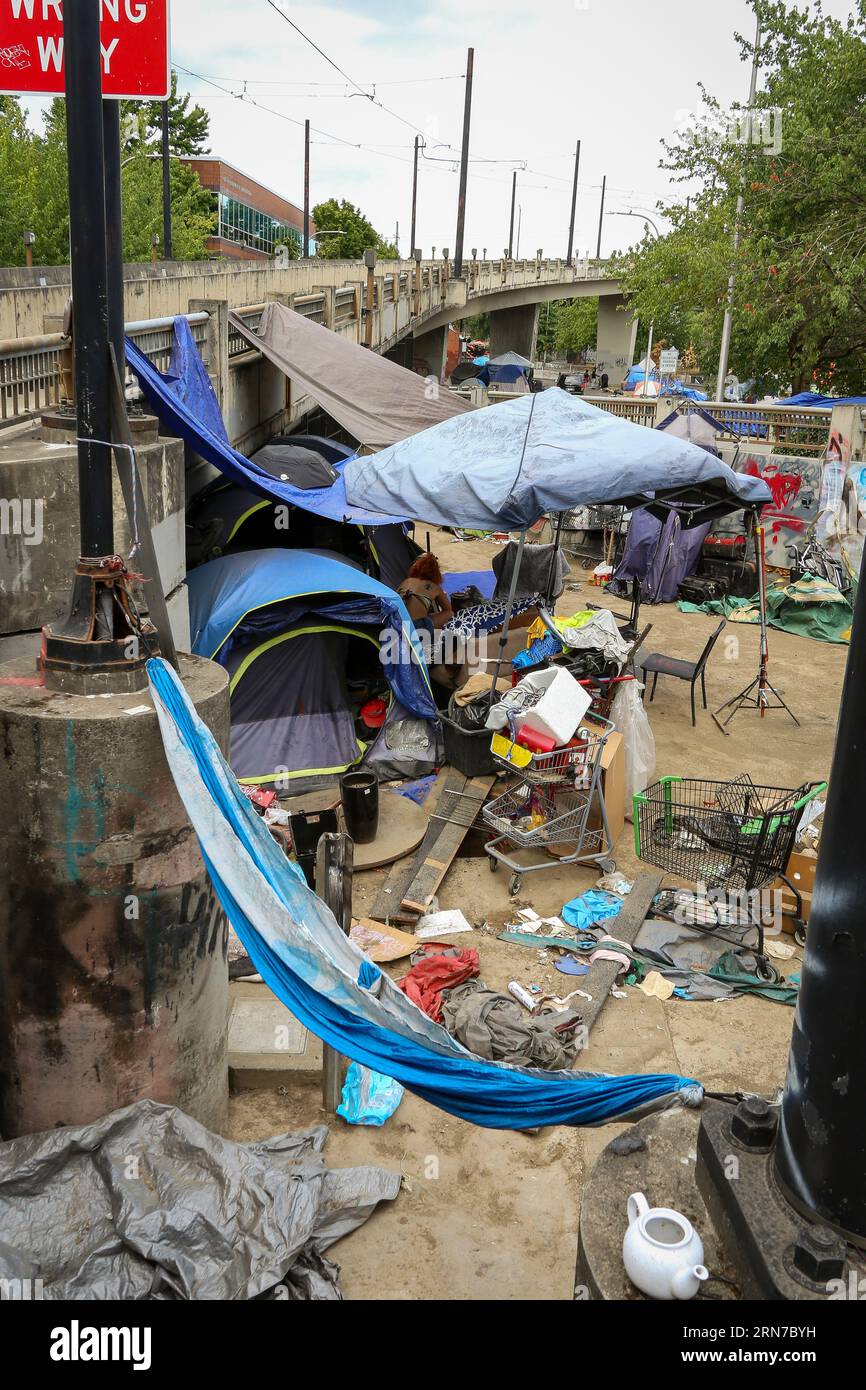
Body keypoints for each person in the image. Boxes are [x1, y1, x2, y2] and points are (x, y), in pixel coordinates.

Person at [398, 553, 453, 631]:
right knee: (449, 614)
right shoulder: (435, 587)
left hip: (396, 624)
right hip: (416, 629)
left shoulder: (407, 581)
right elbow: (448, 609)